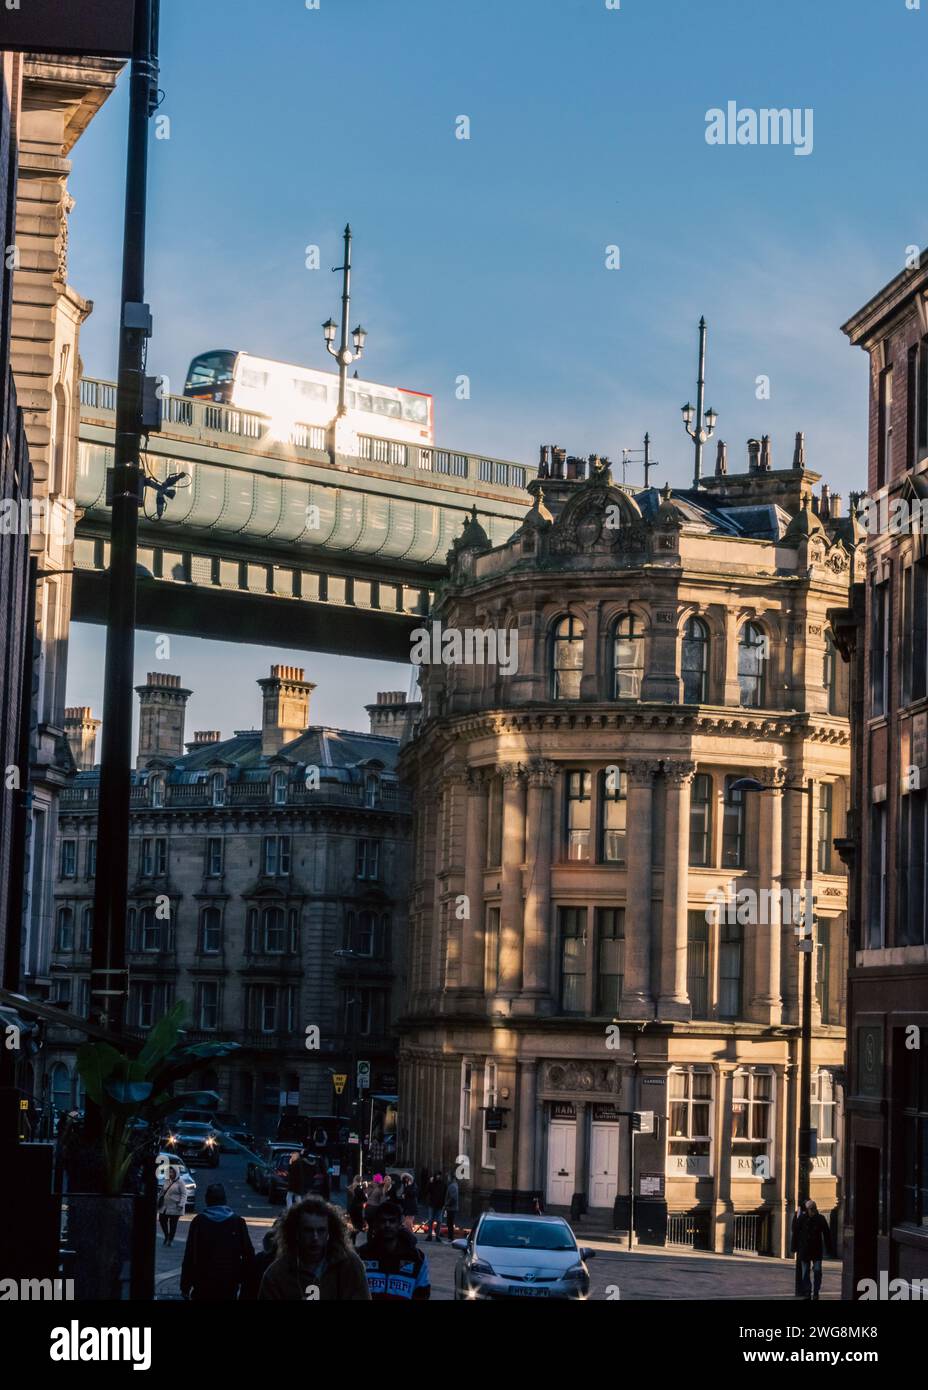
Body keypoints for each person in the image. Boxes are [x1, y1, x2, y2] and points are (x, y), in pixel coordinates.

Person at [258, 1196, 370, 1301]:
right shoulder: (277, 1274)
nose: (315, 1237)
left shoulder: (349, 1265)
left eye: (321, 1230)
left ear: (329, 1232)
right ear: (297, 1233)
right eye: (308, 1230)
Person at [180, 1183, 257, 1301]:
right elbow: (249, 1255)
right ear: (225, 1200)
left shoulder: (199, 1222)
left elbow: (190, 1255)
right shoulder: (238, 1222)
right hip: (229, 1281)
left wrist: (185, 1285)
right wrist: (242, 1278)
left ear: (207, 1200)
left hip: (203, 1282)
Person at [361, 1201, 430, 1301]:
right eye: (383, 1221)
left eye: (392, 1221)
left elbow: (422, 1293)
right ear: (376, 1224)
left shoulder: (417, 1258)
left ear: (399, 1224)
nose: (387, 1225)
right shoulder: (363, 1255)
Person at [791, 1199, 834, 1300]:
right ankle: (807, 1292)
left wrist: (829, 1249)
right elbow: (795, 1233)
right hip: (805, 1249)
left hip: (816, 1250)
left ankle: (816, 1292)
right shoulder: (801, 1218)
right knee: (805, 1272)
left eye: (814, 1208)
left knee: (817, 1271)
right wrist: (794, 1247)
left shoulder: (820, 1219)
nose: (813, 1210)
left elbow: (827, 1234)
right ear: (807, 1209)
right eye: (811, 1209)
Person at [158, 1166, 186, 1246]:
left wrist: (181, 1204)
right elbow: (162, 1191)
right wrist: (158, 1201)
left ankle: (170, 1239)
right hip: (165, 1206)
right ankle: (167, 1236)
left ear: (176, 1173)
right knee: (162, 1219)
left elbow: (184, 1194)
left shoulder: (180, 1182)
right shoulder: (167, 1181)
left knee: (173, 1224)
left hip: (176, 1206)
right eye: (169, 1172)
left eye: (172, 1172)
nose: (170, 1174)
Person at [426, 1171, 447, 1242]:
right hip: (432, 1204)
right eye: (437, 1175)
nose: (438, 1176)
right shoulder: (432, 1183)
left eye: (439, 1175)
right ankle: (429, 1236)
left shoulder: (443, 1184)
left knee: (439, 1221)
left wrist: (444, 1204)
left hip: (440, 1205)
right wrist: (430, 1182)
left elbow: (445, 1194)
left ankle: (437, 1236)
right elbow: (427, 1191)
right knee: (430, 1220)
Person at [347, 1179, 368, 1243]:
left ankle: (350, 1239)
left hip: (351, 1208)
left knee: (353, 1223)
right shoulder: (360, 1190)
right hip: (358, 1209)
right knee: (358, 1225)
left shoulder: (352, 1188)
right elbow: (365, 1199)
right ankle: (353, 1239)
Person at [444, 1175, 460, 1243]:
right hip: (452, 1208)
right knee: (450, 1223)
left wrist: (446, 1204)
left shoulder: (452, 1186)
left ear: (452, 1178)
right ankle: (450, 1237)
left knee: (450, 1223)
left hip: (451, 1208)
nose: (448, 1179)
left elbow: (453, 1198)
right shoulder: (454, 1185)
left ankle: (450, 1238)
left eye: (449, 1177)